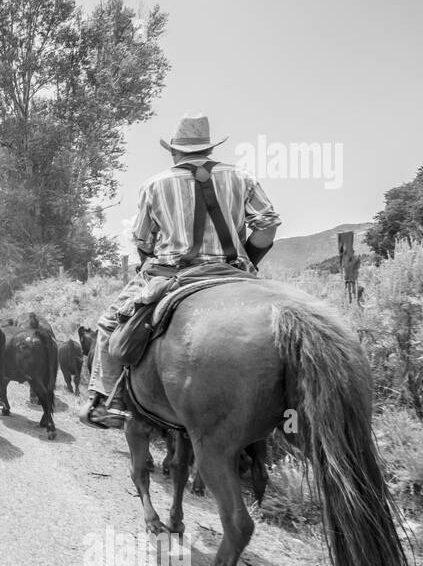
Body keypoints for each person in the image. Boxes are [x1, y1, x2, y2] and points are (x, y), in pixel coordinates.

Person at [79, 114, 282, 430]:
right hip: (233, 271)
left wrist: (150, 257)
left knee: (108, 323)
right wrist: (247, 261)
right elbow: (267, 226)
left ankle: (110, 403)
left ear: (175, 152)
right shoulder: (242, 177)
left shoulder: (156, 184)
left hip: (173, 272)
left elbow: (143, 240)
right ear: (210, 149)